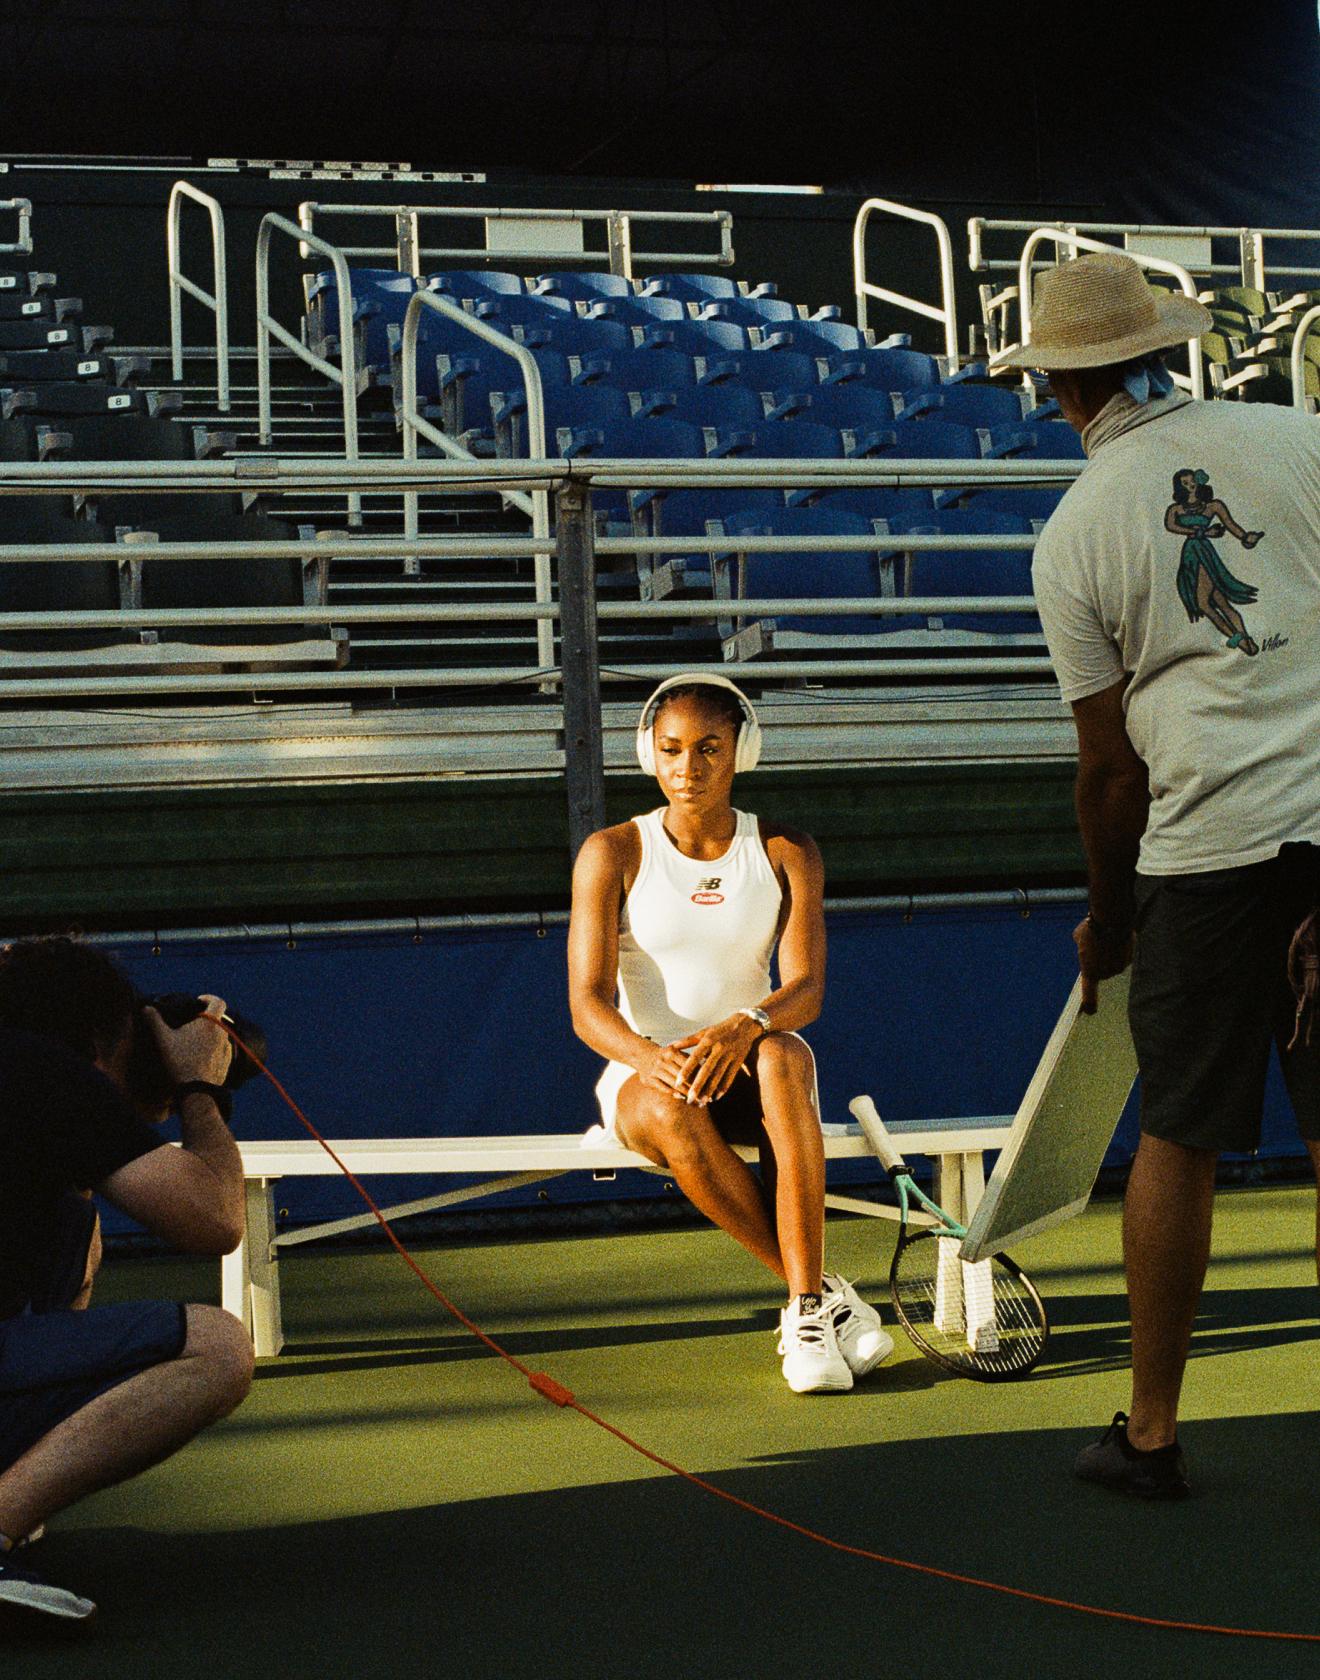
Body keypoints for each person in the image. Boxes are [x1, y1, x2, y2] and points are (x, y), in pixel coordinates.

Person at [992, 250, 1320, 1497]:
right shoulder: (1302, 438)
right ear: (1162, 349)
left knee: (1178, 1139)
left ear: (1058, 386)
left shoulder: (1075, 533)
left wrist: (1111, 918)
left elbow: (1109, 771)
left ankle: (1151, 1433)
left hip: (1206, 855)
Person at [568, 672, 892, 1393]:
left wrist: (745, 1027)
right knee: (669, 1107)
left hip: (753, 1061)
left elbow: (805, 989)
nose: (688, 768)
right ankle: (816, 1301)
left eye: (709, 748)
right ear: (649, 753)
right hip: (648, 1077)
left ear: (743, 751)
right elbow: (588, 1006)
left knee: (783, 1055)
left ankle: (807, 1310)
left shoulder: (786, 849)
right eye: (671, 749)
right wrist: (651, 1058)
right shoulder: (611, 851)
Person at [0, 936, 254, 1623]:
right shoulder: (42, 1069)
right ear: (100, 1040)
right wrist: (200, 1086)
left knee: (74, 1220)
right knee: (217, 1347)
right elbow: (215, 1221)